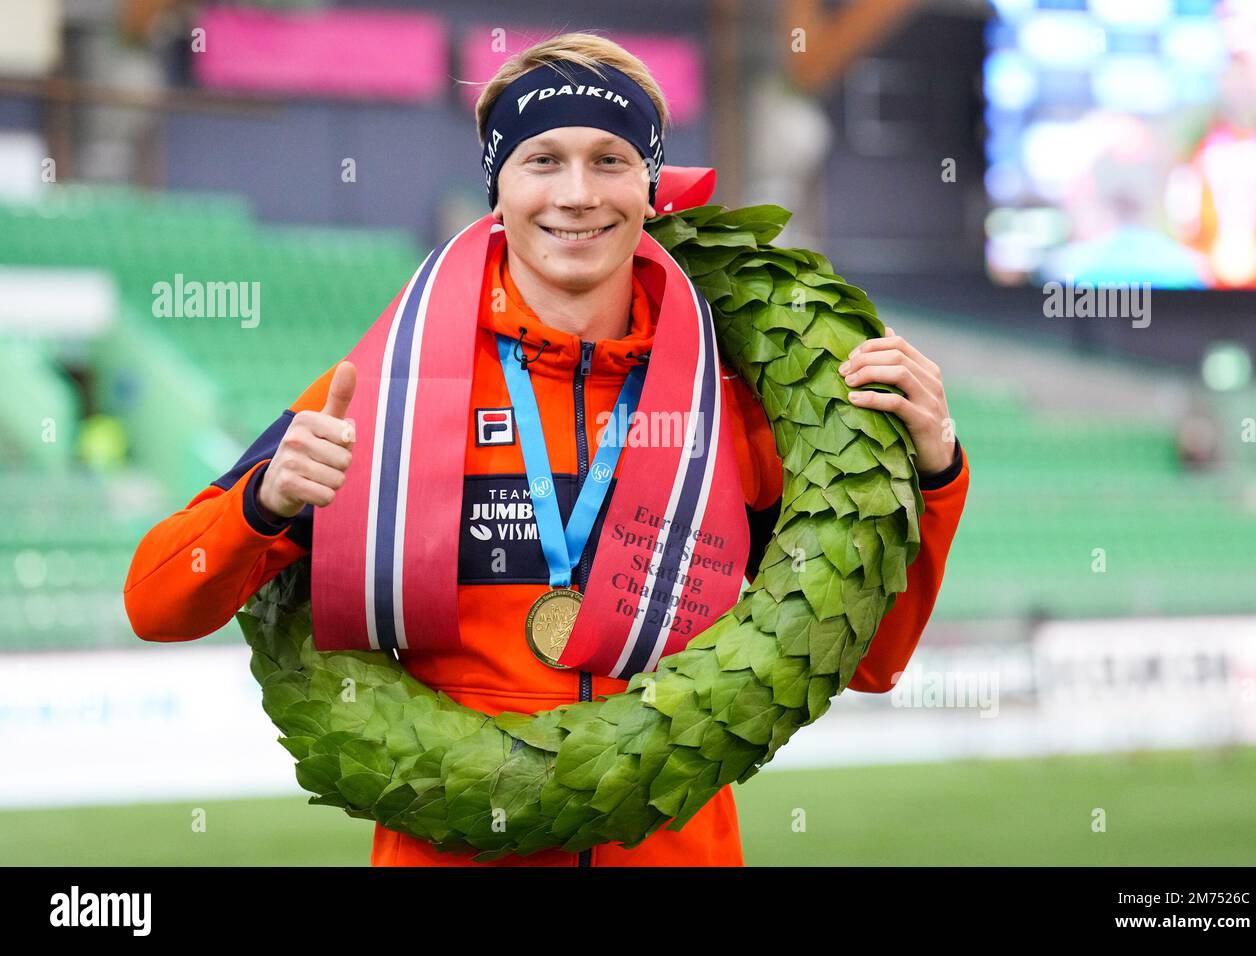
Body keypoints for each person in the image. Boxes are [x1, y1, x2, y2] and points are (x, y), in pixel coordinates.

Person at [124, 32, 970, 867]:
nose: (577, 194)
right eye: (543, 160)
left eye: (610, 160)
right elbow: (158, 604)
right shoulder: (388, 386)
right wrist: (265, 503)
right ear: (498, 187)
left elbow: (867, 661)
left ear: (650, 185)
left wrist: (931, 474)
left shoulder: (726, 404)